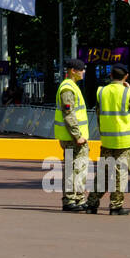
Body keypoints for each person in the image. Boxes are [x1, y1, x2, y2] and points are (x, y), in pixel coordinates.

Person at [86, 63, 130, 215]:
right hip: (124, 142)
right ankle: (115, 206)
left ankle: (92, 203)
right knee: (121, 174)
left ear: (111, 76)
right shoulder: (127, 92)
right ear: (126, 76)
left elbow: (99, 114)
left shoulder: (102, 92)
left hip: (107, 140)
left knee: (103, 174)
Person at [54, 59, 90, 212]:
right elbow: (69, 114)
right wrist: (77, 135)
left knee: (75, 168)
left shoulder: (70, 87)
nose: (83, 72)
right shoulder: (68, 89)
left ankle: (75, 199)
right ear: (73, 71)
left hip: (71, 137)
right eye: (81, 69)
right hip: (73, 138)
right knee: (76, 168)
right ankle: (72, 199)